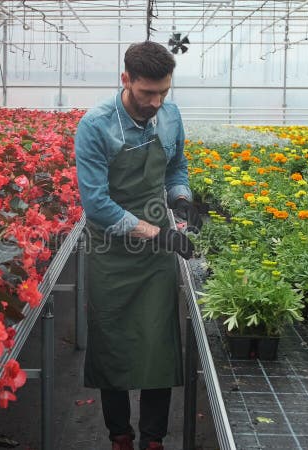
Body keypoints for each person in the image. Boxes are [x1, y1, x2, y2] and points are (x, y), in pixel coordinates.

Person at [74, 41, 202, 450]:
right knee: (112, 341)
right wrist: (159, 232)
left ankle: (153, 439)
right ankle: (119, 436)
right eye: (148, 92)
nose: (156, 101)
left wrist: (180, 198)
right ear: (126, 80)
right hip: (112, 252)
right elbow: (96, 205)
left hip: (155, 257)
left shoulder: (170, 114)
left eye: (164, 91)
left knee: (157, 344)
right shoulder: (96, 125)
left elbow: (176, 165)